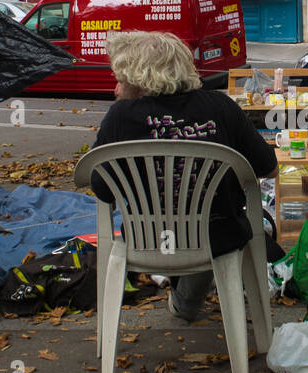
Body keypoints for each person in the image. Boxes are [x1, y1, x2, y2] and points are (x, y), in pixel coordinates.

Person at [90, 31, 278, 322]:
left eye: (122, 78)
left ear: (140, 78)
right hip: (217, 237)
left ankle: (184, 302)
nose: (117, 87)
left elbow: (102, 190)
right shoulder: (221, 107)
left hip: (146, 240)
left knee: (189, 227)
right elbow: (269, 167)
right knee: (212, 222)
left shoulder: (121, 117)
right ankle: (188, 300)